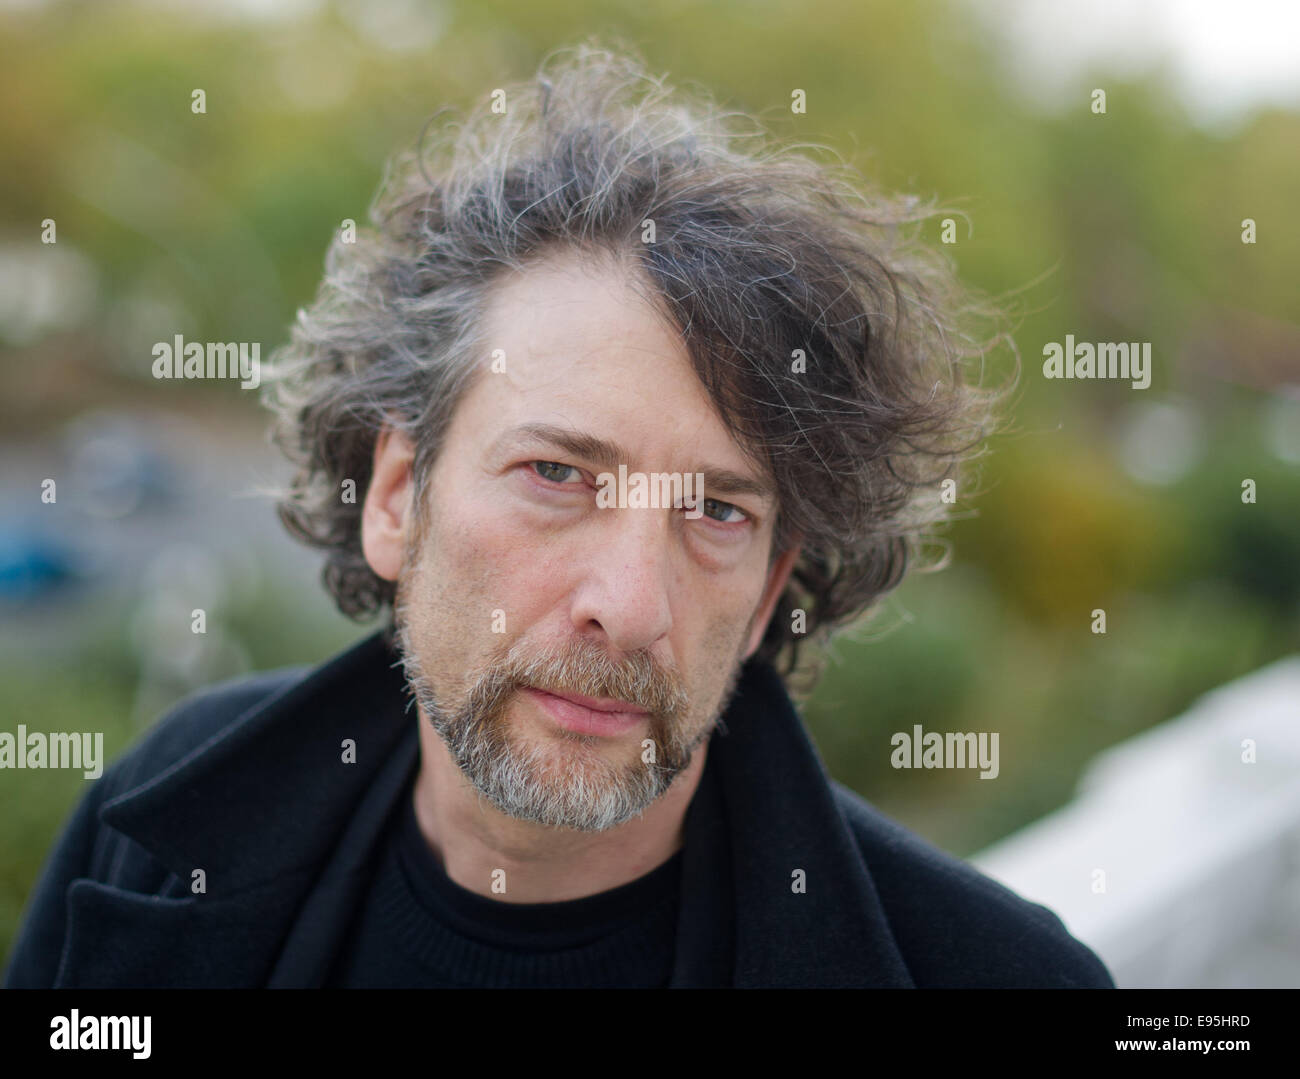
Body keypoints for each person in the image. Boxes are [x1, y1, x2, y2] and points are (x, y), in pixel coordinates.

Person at [5, 40, 1112, 989]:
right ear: (398, 496)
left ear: (774, 582)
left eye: (717, 510)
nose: (628, 608)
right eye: (556, 475)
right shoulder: (155, 820)